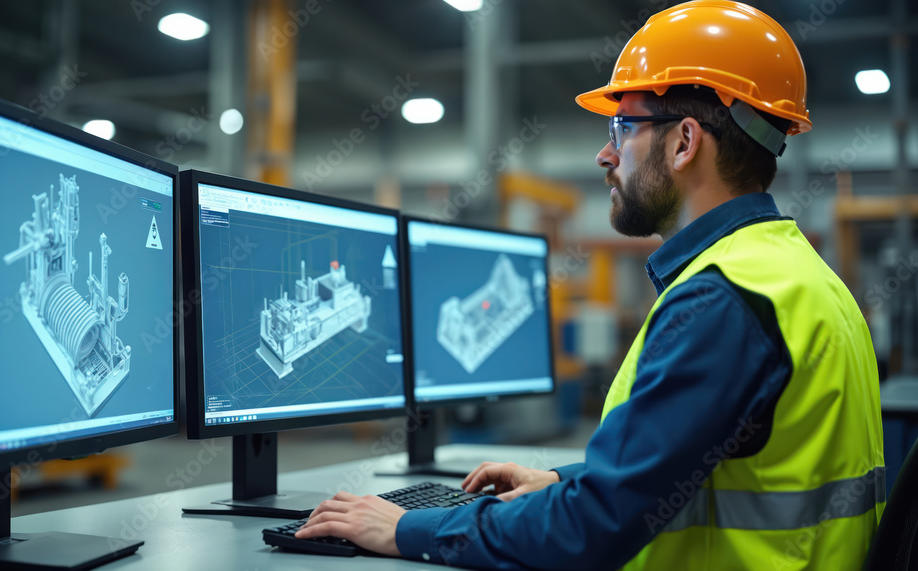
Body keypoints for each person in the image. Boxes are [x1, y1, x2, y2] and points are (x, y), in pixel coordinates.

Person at [295, 1, 885, 569]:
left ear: (684, 142)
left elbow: (590, 531)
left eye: (623, 126)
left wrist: (405, 528)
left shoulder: (721, 300)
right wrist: (562, 481)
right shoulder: (797, 275)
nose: (606, 154)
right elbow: (692, 464)